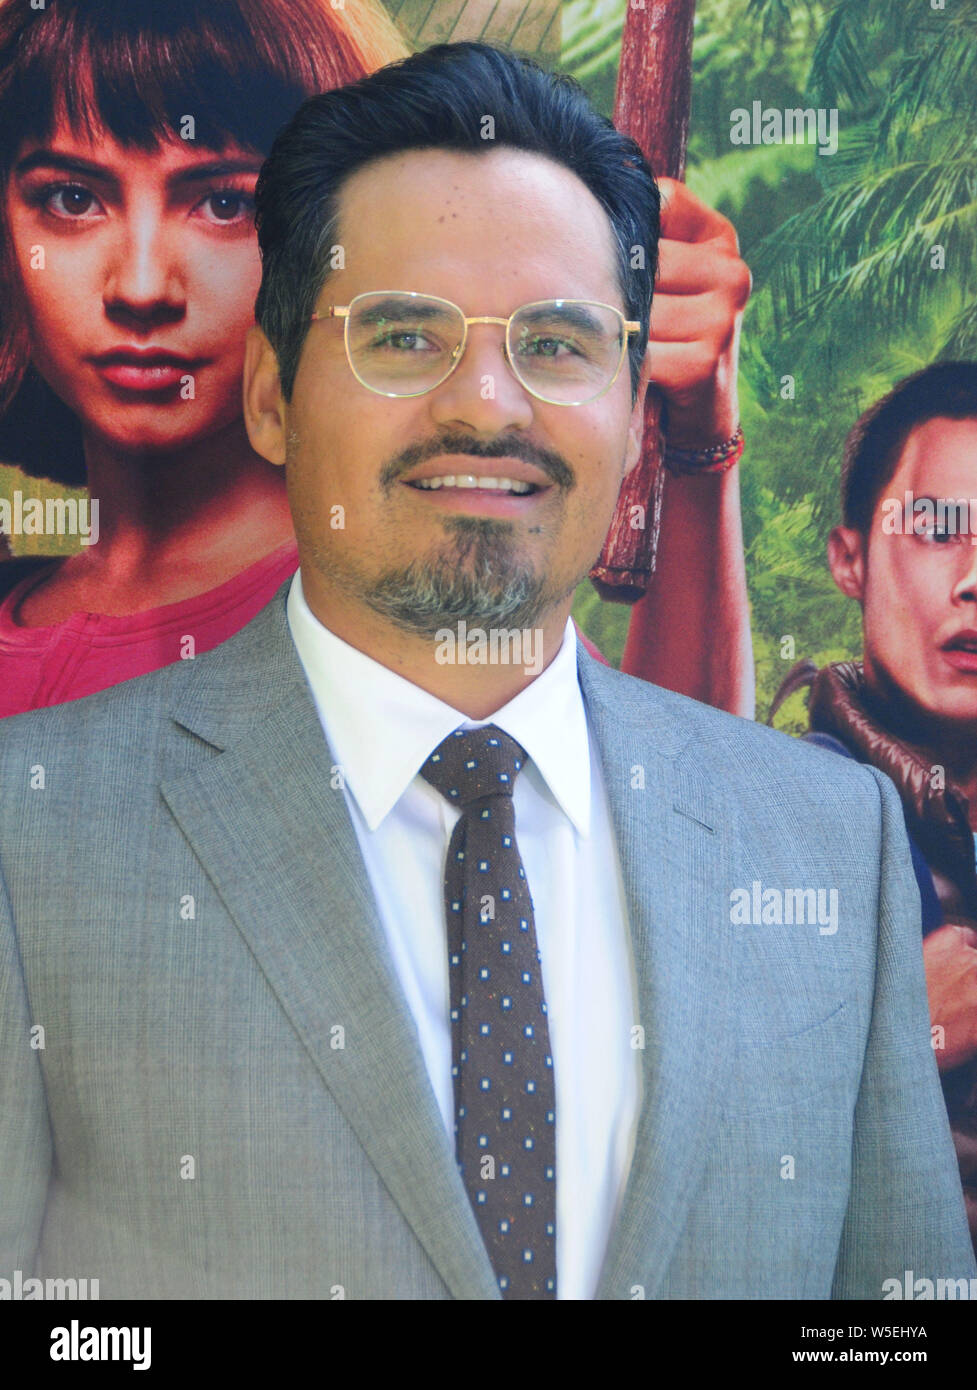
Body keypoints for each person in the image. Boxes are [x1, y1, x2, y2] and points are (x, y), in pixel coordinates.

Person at [1, 42, 970, 1301]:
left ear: (631, 414)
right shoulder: (38, 833)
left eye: (558, 345)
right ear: (272, 395)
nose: (487, 402)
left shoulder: (829, 844)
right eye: (402, 336)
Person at [0, 0, 754, 719]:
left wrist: (695, 446)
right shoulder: (23, 603)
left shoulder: (396, 599)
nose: (140, 286)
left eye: (223, 204)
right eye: (71, 199)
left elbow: (677, 812)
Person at [771, 362, 977, 1249]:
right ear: (848, 559)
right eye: (935, 531)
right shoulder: (770, 821)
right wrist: (905, 1031)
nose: (972, 579)